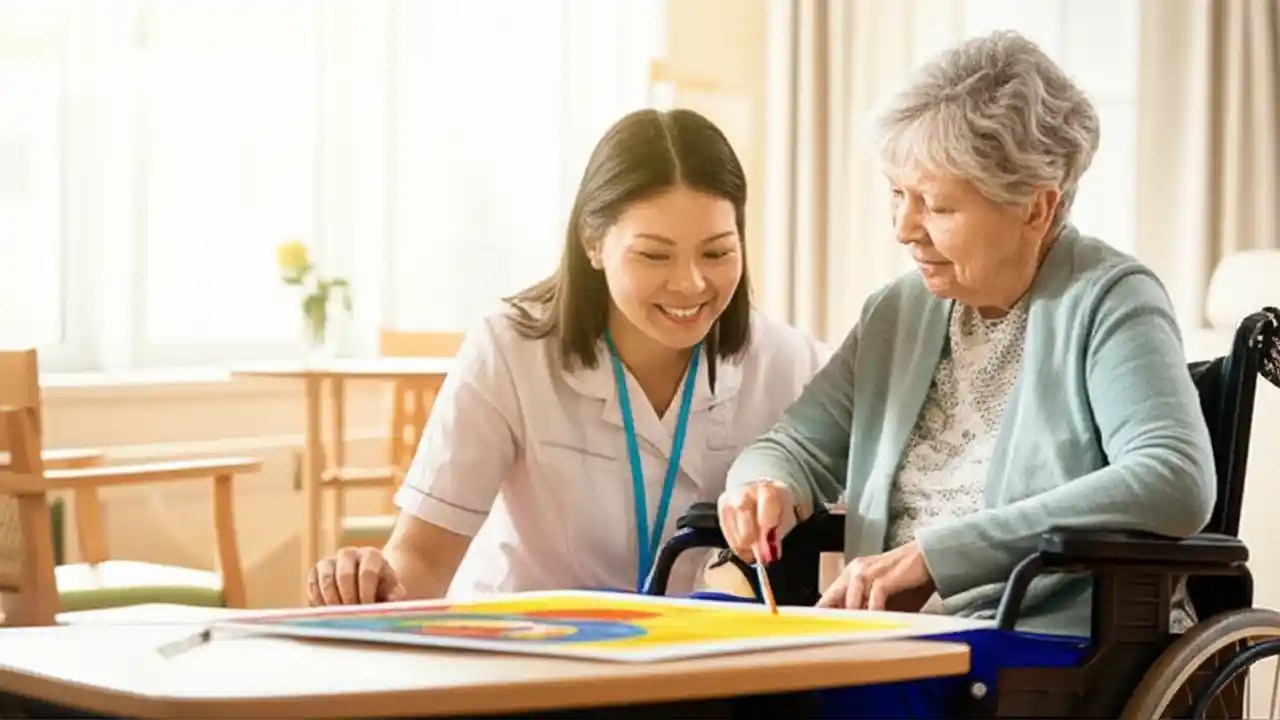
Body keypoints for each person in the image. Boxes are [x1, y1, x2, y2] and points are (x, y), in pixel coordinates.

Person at [716, 29, 1215, 640]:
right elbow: (795, 446)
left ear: (1037, 208)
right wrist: (760, 487)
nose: (904, 228)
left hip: (1042, 648)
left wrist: (936, 556)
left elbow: (1174, 478)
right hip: (887, 642)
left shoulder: (1110, 299)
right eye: (897, 195)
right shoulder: (896, 313)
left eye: (938, 206)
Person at [307, 108, 831, 606]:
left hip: (688, 667)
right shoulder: (509, 349)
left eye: (717, 252)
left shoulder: (789, 361)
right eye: (654, 254)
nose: (691, 283)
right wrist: (367, 583)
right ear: (593, 243)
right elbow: (422, 557)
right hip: (531, 658)